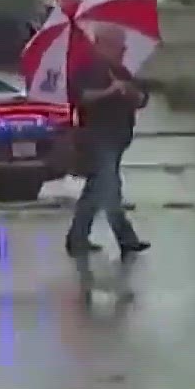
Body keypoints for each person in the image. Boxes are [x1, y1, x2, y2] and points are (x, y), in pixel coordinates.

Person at [63, 27, 152, 261]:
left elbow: (141, 97)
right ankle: (126, 239)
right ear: (101, 44)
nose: (123, 50)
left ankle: (77, 238)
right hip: (96, 138)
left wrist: (132, 94)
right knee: (109, 187)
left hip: (118, 138)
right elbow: (80, 97)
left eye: (124, 46)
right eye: (117, 45)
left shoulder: (121, 71)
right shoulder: (86, 70)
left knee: (97, 189)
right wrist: (109, 91)